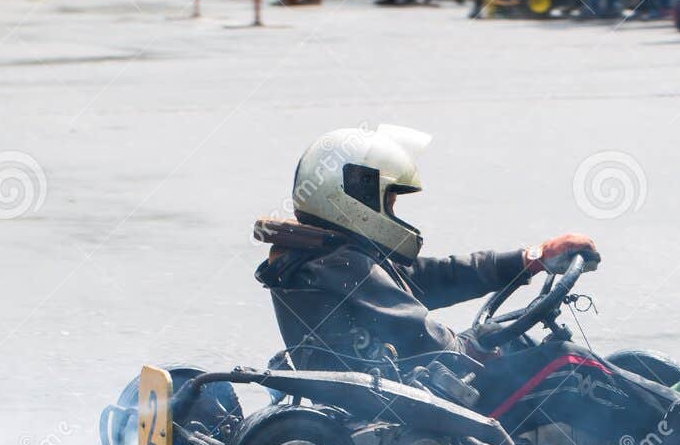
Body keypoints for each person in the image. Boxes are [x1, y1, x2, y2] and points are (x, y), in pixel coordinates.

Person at [254, 123, 599, 369]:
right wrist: (473, 344)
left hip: (399, 384)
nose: (391, 214)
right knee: (559, 364)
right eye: (386, 205)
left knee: (517, 345)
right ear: (351, 197)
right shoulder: (338, 264)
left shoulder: (331, 256)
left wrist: (530, 259)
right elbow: (414, 329)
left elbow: (429, 277)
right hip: (398, 402)